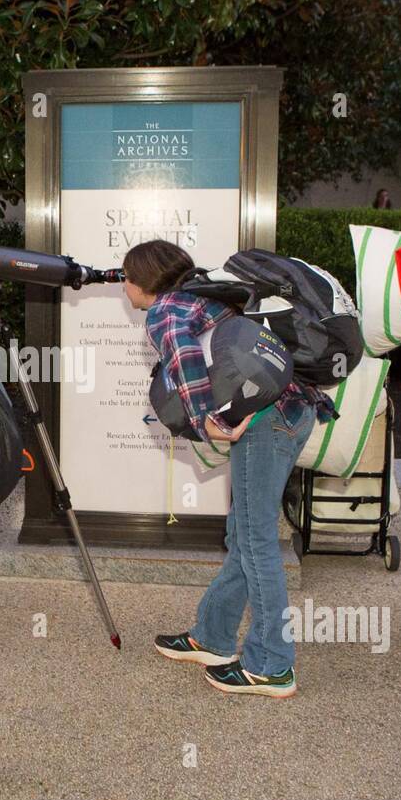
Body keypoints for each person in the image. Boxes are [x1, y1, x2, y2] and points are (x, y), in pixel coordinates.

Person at [130, 240, 331, 697]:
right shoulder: (212, 294)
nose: (124, 286)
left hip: (264, 420)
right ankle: (213, 637)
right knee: (243, 533)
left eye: (126, 277)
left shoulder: (166, 309)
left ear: (142, 279)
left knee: (257, 538)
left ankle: (272, 665)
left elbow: (185, 362)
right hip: (293, 408)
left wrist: (204, 419)